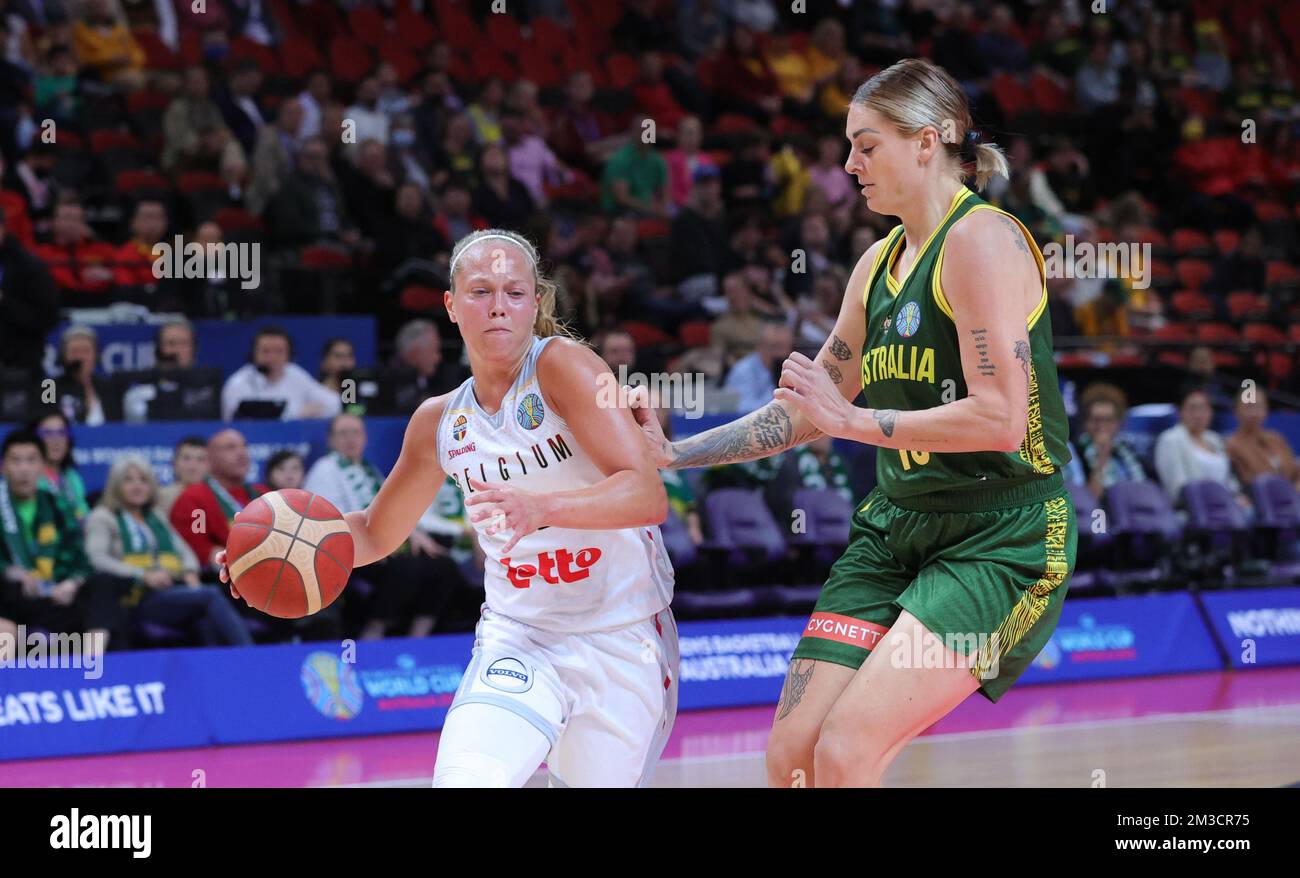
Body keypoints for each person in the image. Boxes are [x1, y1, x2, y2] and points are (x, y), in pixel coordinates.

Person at [632, 58, 1077, 788]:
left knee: (844, 753)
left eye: (866, 145)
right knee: (791, 760)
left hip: (1004, 537)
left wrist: (854, 420)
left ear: (928, 141)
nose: (848, 164)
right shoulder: (875, 264)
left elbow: (1000, 419)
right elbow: (804, 416)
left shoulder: (983, 242)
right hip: (897, 525)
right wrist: (672, 454)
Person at [220, 228, 677, 787]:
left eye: (514, 292)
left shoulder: (566, 367)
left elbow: (646, 494)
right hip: (520, 635)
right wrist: (270, 555)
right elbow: (373, 532)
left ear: (536, 302)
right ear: (452, 306)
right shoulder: (439, 421)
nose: (498, 307)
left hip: (622, 633)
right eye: (481, 291)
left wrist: (542, 506)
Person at [303, 414, 463, 638]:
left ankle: (418, 637)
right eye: (343, 433)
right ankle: (374, 632)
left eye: (355, 433)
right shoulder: (324, 468)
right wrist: (372, 538)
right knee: (406, 567)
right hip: (349, 547)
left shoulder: (370, 470)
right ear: (331, 440)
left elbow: (392, 507)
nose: (350, 439)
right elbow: (325, 517)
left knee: (444, 566)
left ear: (365, 438)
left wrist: (411, 532)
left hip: (382, 540)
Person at [84, 456, 252, 647]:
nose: (137, 486)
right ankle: (249, 655)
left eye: (143, 480)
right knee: (210, 595)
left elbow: (185, 552)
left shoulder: (154, 516)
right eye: (128, 480)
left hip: (167, 588)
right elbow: (96, 559)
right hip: (131, 597)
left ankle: (215, 671)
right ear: (115, 485)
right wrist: (143, 575)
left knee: (202, 616)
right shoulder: (103, 516)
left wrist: (189, 571)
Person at [0, 430, 126, 647]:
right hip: (13, 599)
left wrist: (72, 583)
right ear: (3, 467)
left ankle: (91, 668)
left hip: (54, 597)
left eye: (31, 460)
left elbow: (82, 562)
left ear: (42, 467)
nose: (23, 469)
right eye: (16, 461)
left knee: (104, 585)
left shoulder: (58, 505)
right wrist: (8, 570)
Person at [221, 326, 343, 421]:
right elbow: (233, 418)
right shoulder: (239, 382)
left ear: (289, 354)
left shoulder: (295, 373)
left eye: (278, 351)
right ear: (254, 353)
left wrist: (317, 410)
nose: (272, 357)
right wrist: (297, 414)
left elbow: (335, 404)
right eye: (265, 351)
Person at [1154, 385, 1248, 507]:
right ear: (1180, 412)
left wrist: (1237, 497)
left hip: (1225, 505)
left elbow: (1229, 481)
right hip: (1193, 510)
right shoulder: (1170, 440)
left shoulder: (1215, 439)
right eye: (1192, 408)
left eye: (1203, 408)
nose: (1198, 414)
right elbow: (1177, 488)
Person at [1074, 382, 1148, 498]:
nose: (1102, 426)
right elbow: (1088, 500)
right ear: (1086, 422)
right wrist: (1102, 458)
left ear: (1118, 422)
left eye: (1108, 420)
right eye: (1096, 420)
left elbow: (1144, 488)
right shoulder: (1077, 452)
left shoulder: (1126, 449)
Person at [1226, 388, 1300, 491]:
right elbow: (1251, 480)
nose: (1254, 413)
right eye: (1249, 407)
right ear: (1236, 410)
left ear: (1266, 410)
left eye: (1259, 406)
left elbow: (1295, 470)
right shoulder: (1232, 445)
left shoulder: (1276, 438)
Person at [27, 409, 89, 521]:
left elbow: (84, 517)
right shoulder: (26, 477)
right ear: (34, 437)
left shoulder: (72, 477)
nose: (56, 440)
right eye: (48, 433)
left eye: (61, 433)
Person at [156, 435, 208, 518]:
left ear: (210, 465)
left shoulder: (219, 498)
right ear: (174, 463)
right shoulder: (160, 497)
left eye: (200, 459)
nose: (192, 466)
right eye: (186, 458)